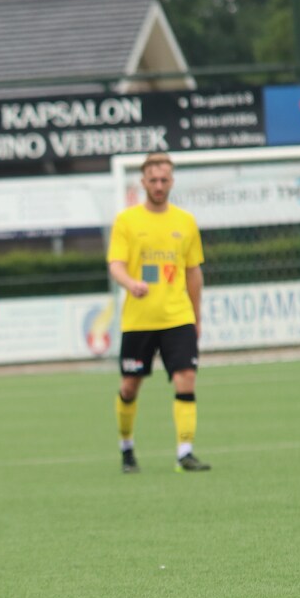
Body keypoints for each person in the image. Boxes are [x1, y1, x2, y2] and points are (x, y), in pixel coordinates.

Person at [107, 151, 209, 475]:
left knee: (186, 378)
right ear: (143, 182)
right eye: (153, 179)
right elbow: (116, 265)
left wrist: (197, 316)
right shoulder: (127, 221)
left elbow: (193, 272)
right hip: (139, 319)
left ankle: (185, 452)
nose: (159, 185)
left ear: (172, 181)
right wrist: (130, 283)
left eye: (164, 179)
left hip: (178, 316)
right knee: (129, 387)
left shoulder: (185, 221)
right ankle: (126, 449)